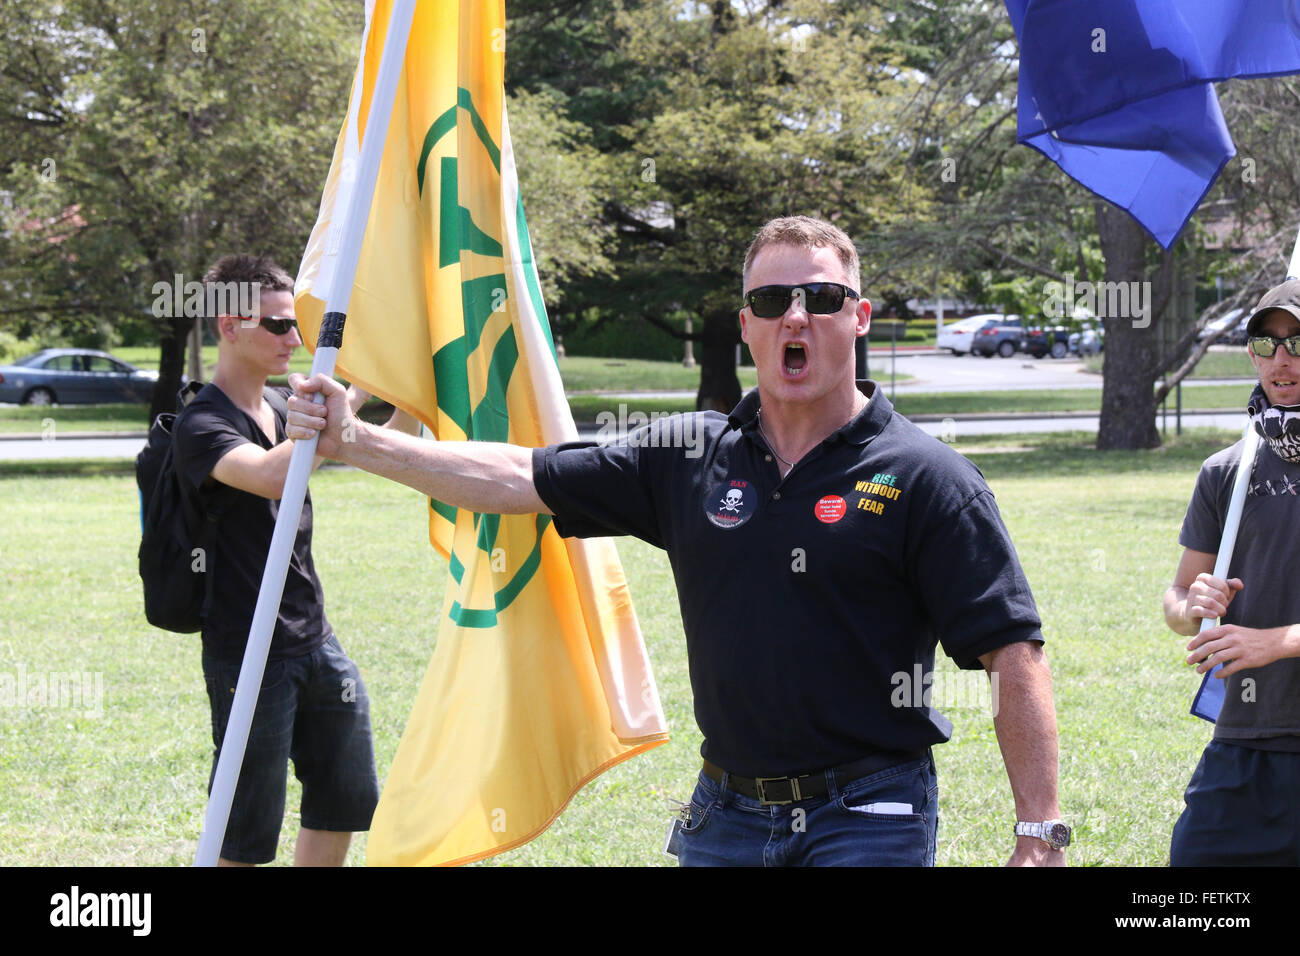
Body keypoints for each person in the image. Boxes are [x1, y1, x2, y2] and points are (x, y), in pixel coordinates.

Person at [287, 216, 1066, 866]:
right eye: (772, 300)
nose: (797, 316)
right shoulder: (689, 454)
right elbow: (519, 476)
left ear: (858, 318)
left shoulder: (930, 479)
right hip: (723, 812)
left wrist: (1039, 831)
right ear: (747, 327)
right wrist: (358, 444)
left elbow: (1012, 657)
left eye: (822, 297)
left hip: (870, 810)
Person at [172, 254, 392, 866]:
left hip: (313, 637)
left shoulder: (281, 402)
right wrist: (325, 413)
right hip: (247, 648)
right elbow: (272, 477)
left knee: (346, 796)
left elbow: (357, 441)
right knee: (244, 829)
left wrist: (385, 385)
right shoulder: (201, 423)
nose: (293, 339)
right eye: (275, 326)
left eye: (294, 325)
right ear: (228, 327)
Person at [1164, 278, 1300, 866]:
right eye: (1265, 344)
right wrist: (1191, 604)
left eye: (1297, 340)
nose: (1281, 360)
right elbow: (1174, 599)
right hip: (1245, 736)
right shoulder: (1227, 470)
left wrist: (1277, 642)